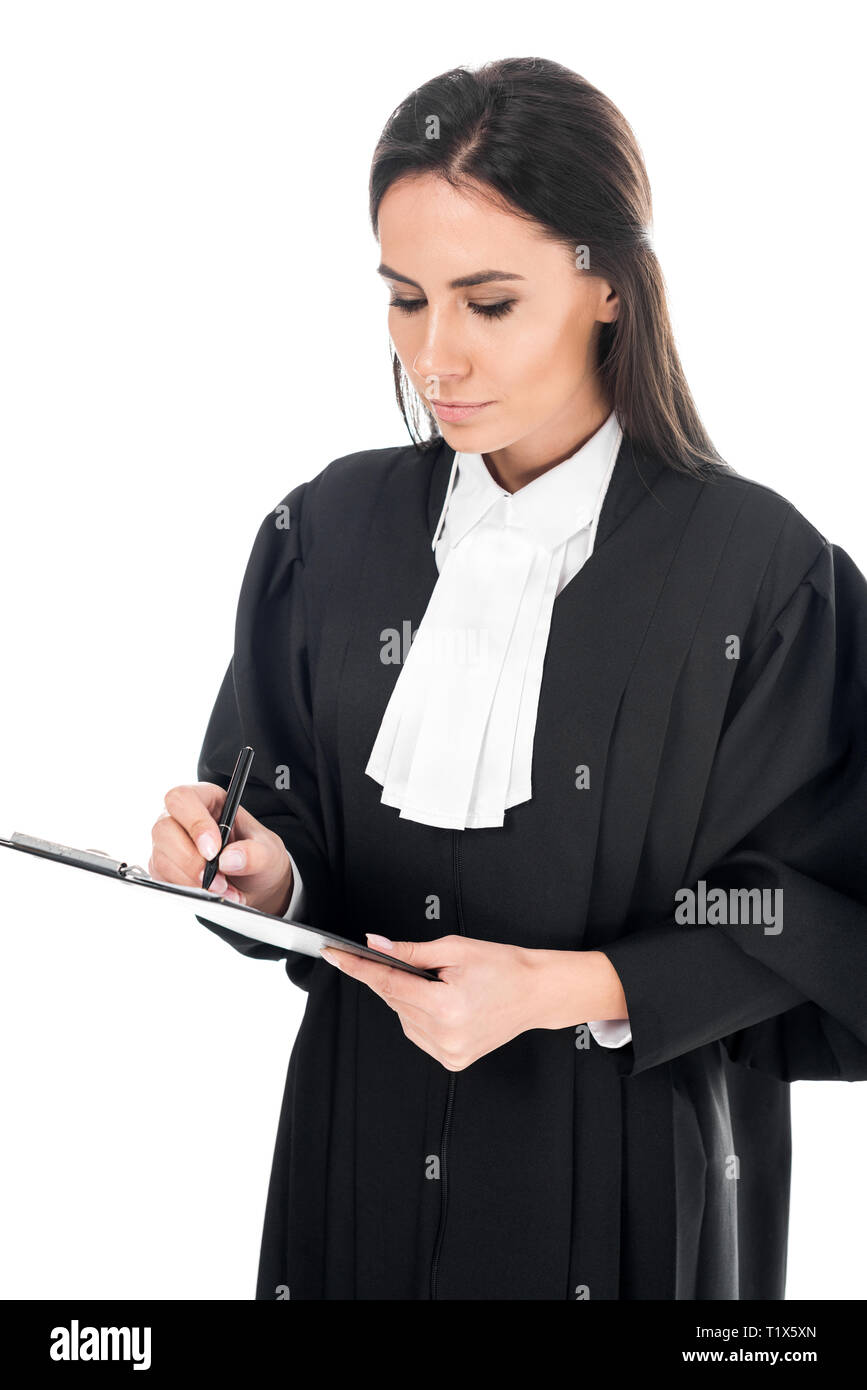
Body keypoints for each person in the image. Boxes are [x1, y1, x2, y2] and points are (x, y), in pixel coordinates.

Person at [149, 57, 867, 1300]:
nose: (435, 356)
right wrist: (263, 871)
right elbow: (284, 812)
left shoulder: (764, 578)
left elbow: (824, 913)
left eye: (488, 303)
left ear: (609, 284)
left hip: (638, 1186)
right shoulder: (330, 531)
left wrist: (575, 987)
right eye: (404, 298)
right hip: (355, 1163)